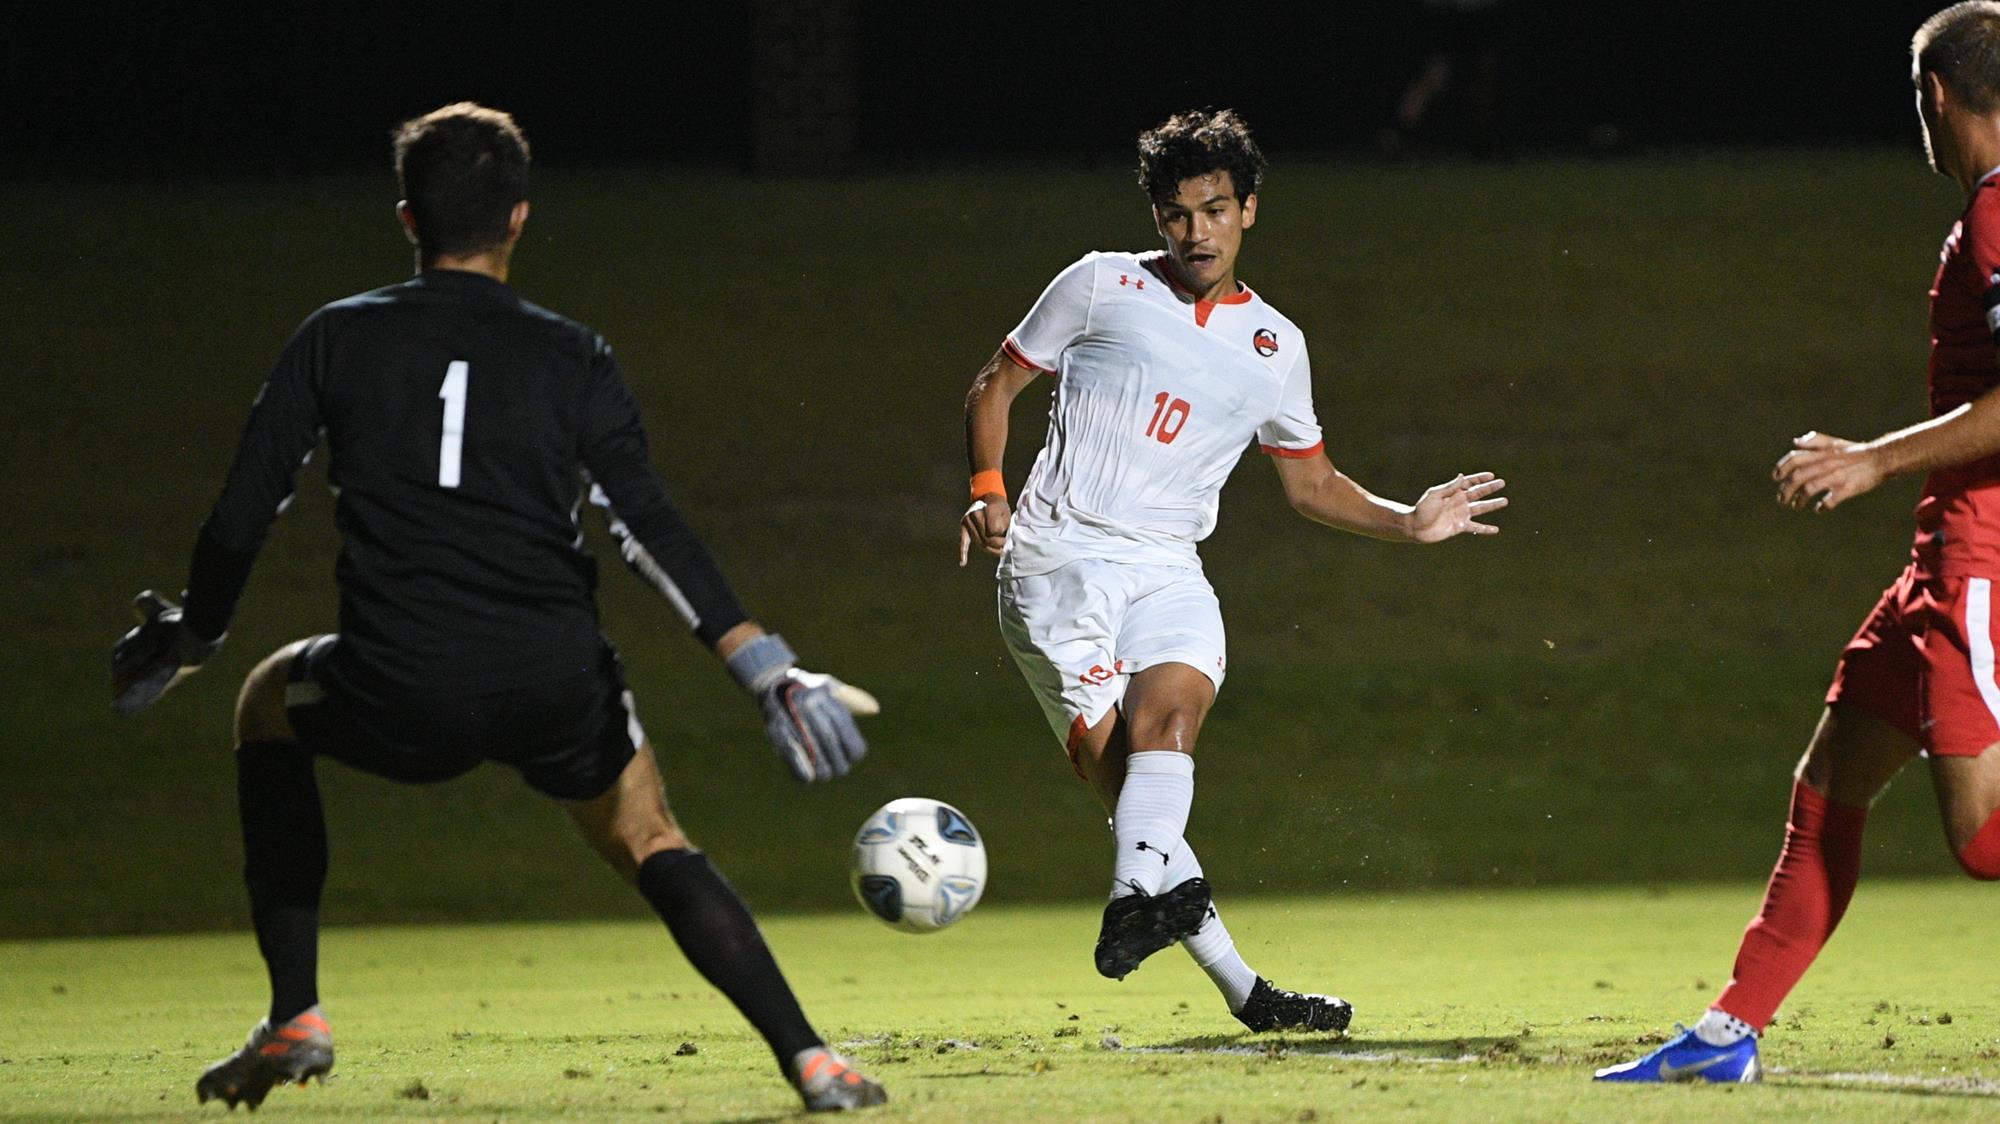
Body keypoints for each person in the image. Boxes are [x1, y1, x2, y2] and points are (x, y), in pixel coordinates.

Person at [110, 102, 886, 1113]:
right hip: (550, 679)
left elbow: (241, 515)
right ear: (517, 218)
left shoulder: (333, 338)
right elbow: (644, 522)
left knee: (264, 696)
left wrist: (192, 639)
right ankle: (812, 1060)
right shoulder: (573, 355)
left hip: (395, 683)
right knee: (650, 837)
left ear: (405, 219)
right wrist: (761, 664)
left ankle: (297, 1012)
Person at [957, 108, 1508, 1034]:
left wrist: (1407, 524)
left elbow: (1311, 484)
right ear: (1158, 220)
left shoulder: (1276, 347)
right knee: (1130, 786)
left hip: (1169, 567)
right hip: (1058, 564)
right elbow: (994, 386)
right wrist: (987, 489)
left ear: (1248, 210)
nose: (1196, 232)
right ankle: (1240, 986)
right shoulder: (1099, 286)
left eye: (1214, 209)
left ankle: (1138, 900)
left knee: (1170, 731)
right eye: (1177, 214)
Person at [1596, 2, 2000, 1085]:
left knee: (1977, 839)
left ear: (1940, 96)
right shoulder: (1981, 214)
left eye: (1917, 98)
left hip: (1981, 556)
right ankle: (1731, 1030)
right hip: (1934, 557)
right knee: (1829, 774)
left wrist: (1871, 456)